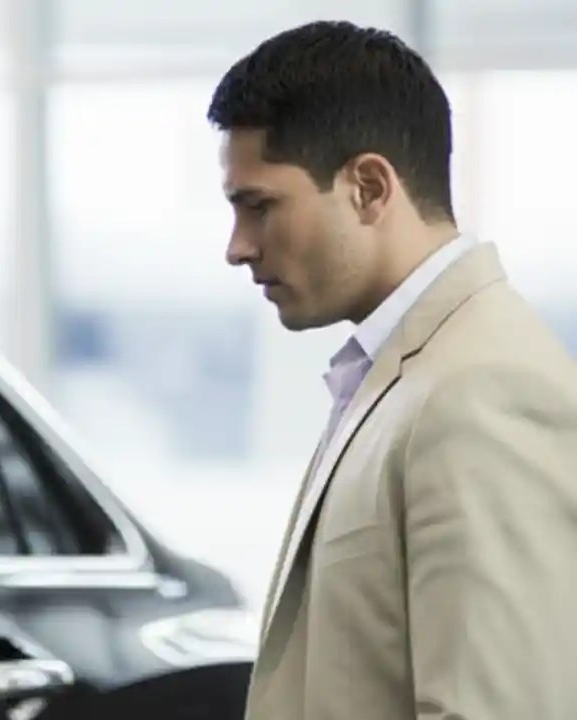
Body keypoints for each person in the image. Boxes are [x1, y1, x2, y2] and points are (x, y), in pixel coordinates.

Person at [209, 20, 577, 720]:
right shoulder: (410, 373)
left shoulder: (480, 389)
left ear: (369, 187)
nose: (238, 246)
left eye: (259, 207)